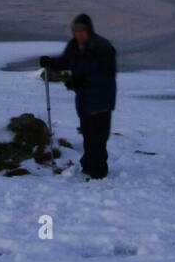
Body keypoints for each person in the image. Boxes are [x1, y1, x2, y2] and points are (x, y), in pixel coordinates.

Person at [39, 13, 117, 179]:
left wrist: (84, 81)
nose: (79, 34)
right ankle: (88, 166)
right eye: (76, 31)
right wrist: (51, 63)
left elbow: (108, 74)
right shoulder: (74, 46)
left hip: (101, 101)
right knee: (88, 134)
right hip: (84, 101)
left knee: (98, 136)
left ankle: (98, 171)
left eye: (82, 31)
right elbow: (67, 61)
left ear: (89, 30)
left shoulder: (103, 47)